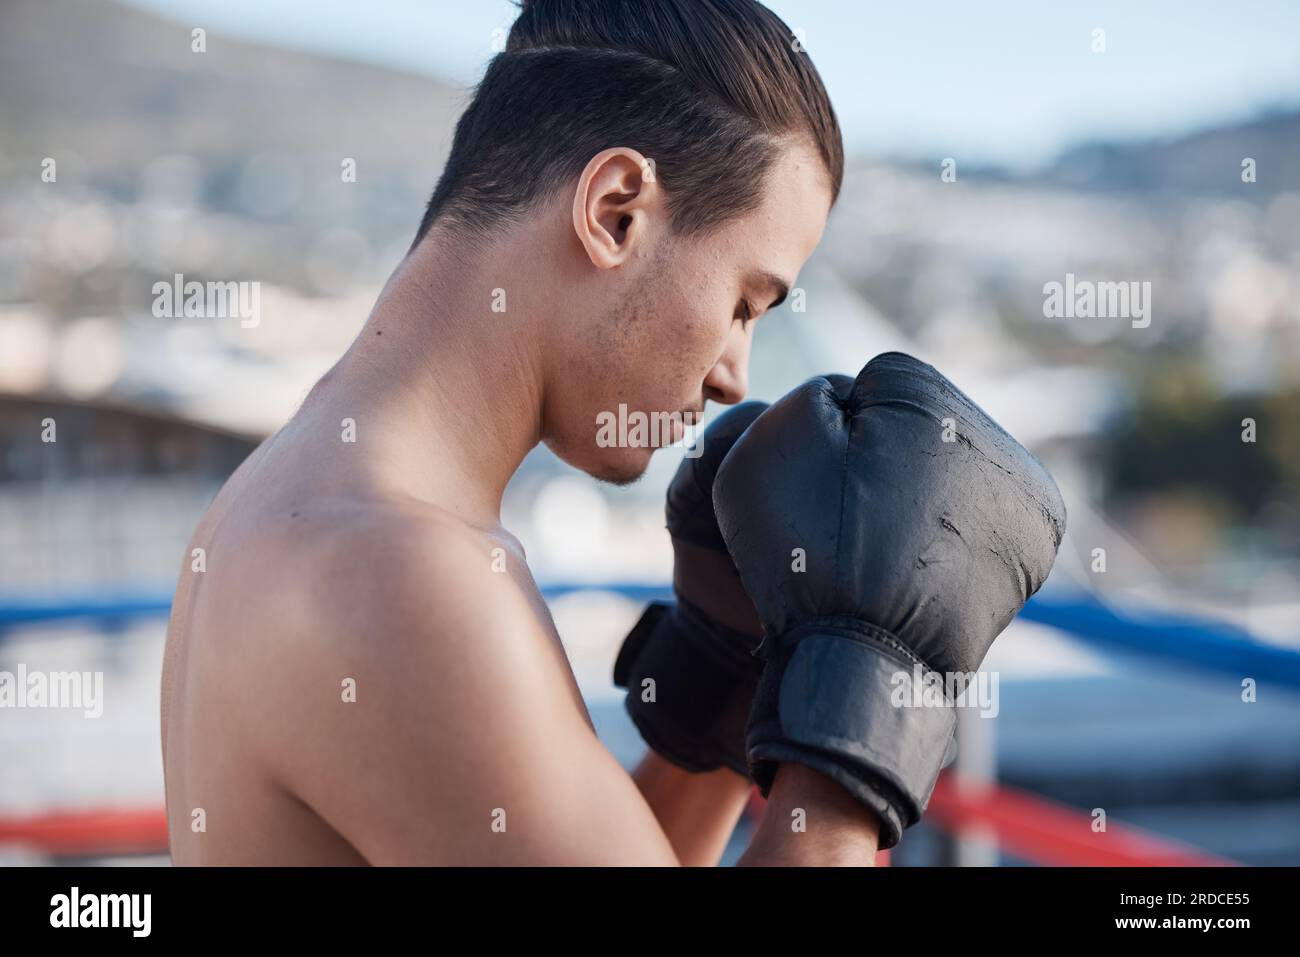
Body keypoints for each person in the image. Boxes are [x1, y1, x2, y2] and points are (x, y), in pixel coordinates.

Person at [161, 0, 1064, 866]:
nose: (734, 375)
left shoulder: (297, 493)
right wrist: (853, 740)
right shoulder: (403, 576)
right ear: (615, 210)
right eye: (745, 303)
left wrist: (728, 664)